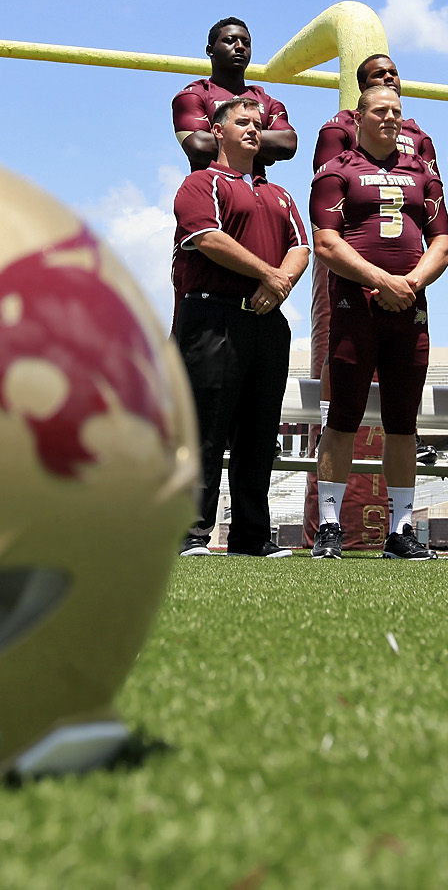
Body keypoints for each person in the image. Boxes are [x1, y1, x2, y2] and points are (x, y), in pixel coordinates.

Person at [308, 86, 448, 560]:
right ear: (358, 118)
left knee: (403, 423)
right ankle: (330, 524)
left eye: (397, 111)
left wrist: (409, 284)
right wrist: (380, 281)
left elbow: (442, 244)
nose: (391, 118)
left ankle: (401, 528)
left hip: (410, 307)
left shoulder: (423, 173)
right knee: (343, 416)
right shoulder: (337, 170)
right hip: (357, 306)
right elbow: (326, 243)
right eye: (381, 111)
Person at [173, 97, 311, 557]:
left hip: (266, 320)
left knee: (259, 432)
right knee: (205, 429)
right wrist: (269, 275)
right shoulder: (201, 182)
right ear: (218, 131)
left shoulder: (280, 194)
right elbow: (207, 237)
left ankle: (251, 537)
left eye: (258, 123)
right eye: (243, 122)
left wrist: (280, 283)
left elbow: (301, 247)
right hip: (212, 316)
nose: (254, 130)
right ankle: (191, 533)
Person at [172, 17, 299, 176]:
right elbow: (199, 146)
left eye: (246, 43)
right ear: (210, 50)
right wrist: (263, 148)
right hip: (212, 186)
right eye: (230, 41)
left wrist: (222, 140)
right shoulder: (194, 95)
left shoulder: (267, 101)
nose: (240, 47)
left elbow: (287, 143)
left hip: (257, 188)